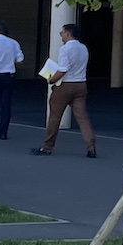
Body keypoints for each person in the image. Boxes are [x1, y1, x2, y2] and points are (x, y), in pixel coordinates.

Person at [32, 22, 96, 157]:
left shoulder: (65, 49)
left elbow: (63, 70)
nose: (61, 35)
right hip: (81, 84)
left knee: (55, 116)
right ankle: (91, 147)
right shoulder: (84, 48)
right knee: (82, 117)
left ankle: (47, 147)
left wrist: (51, 80)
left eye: (62, 32)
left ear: (68, 33)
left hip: (65, 86)